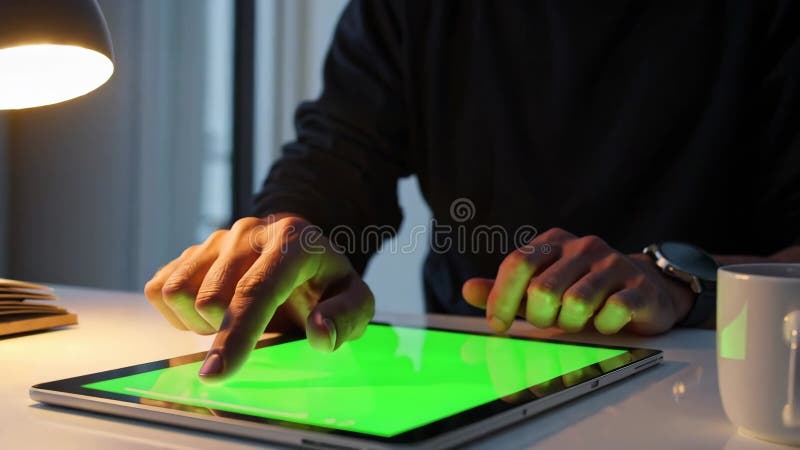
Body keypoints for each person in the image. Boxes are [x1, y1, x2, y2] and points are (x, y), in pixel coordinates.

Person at [144, 1, 800, 381]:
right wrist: (291, 239)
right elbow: (338, 154)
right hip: (469, 376)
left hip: (721, 379)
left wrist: (679, 281)